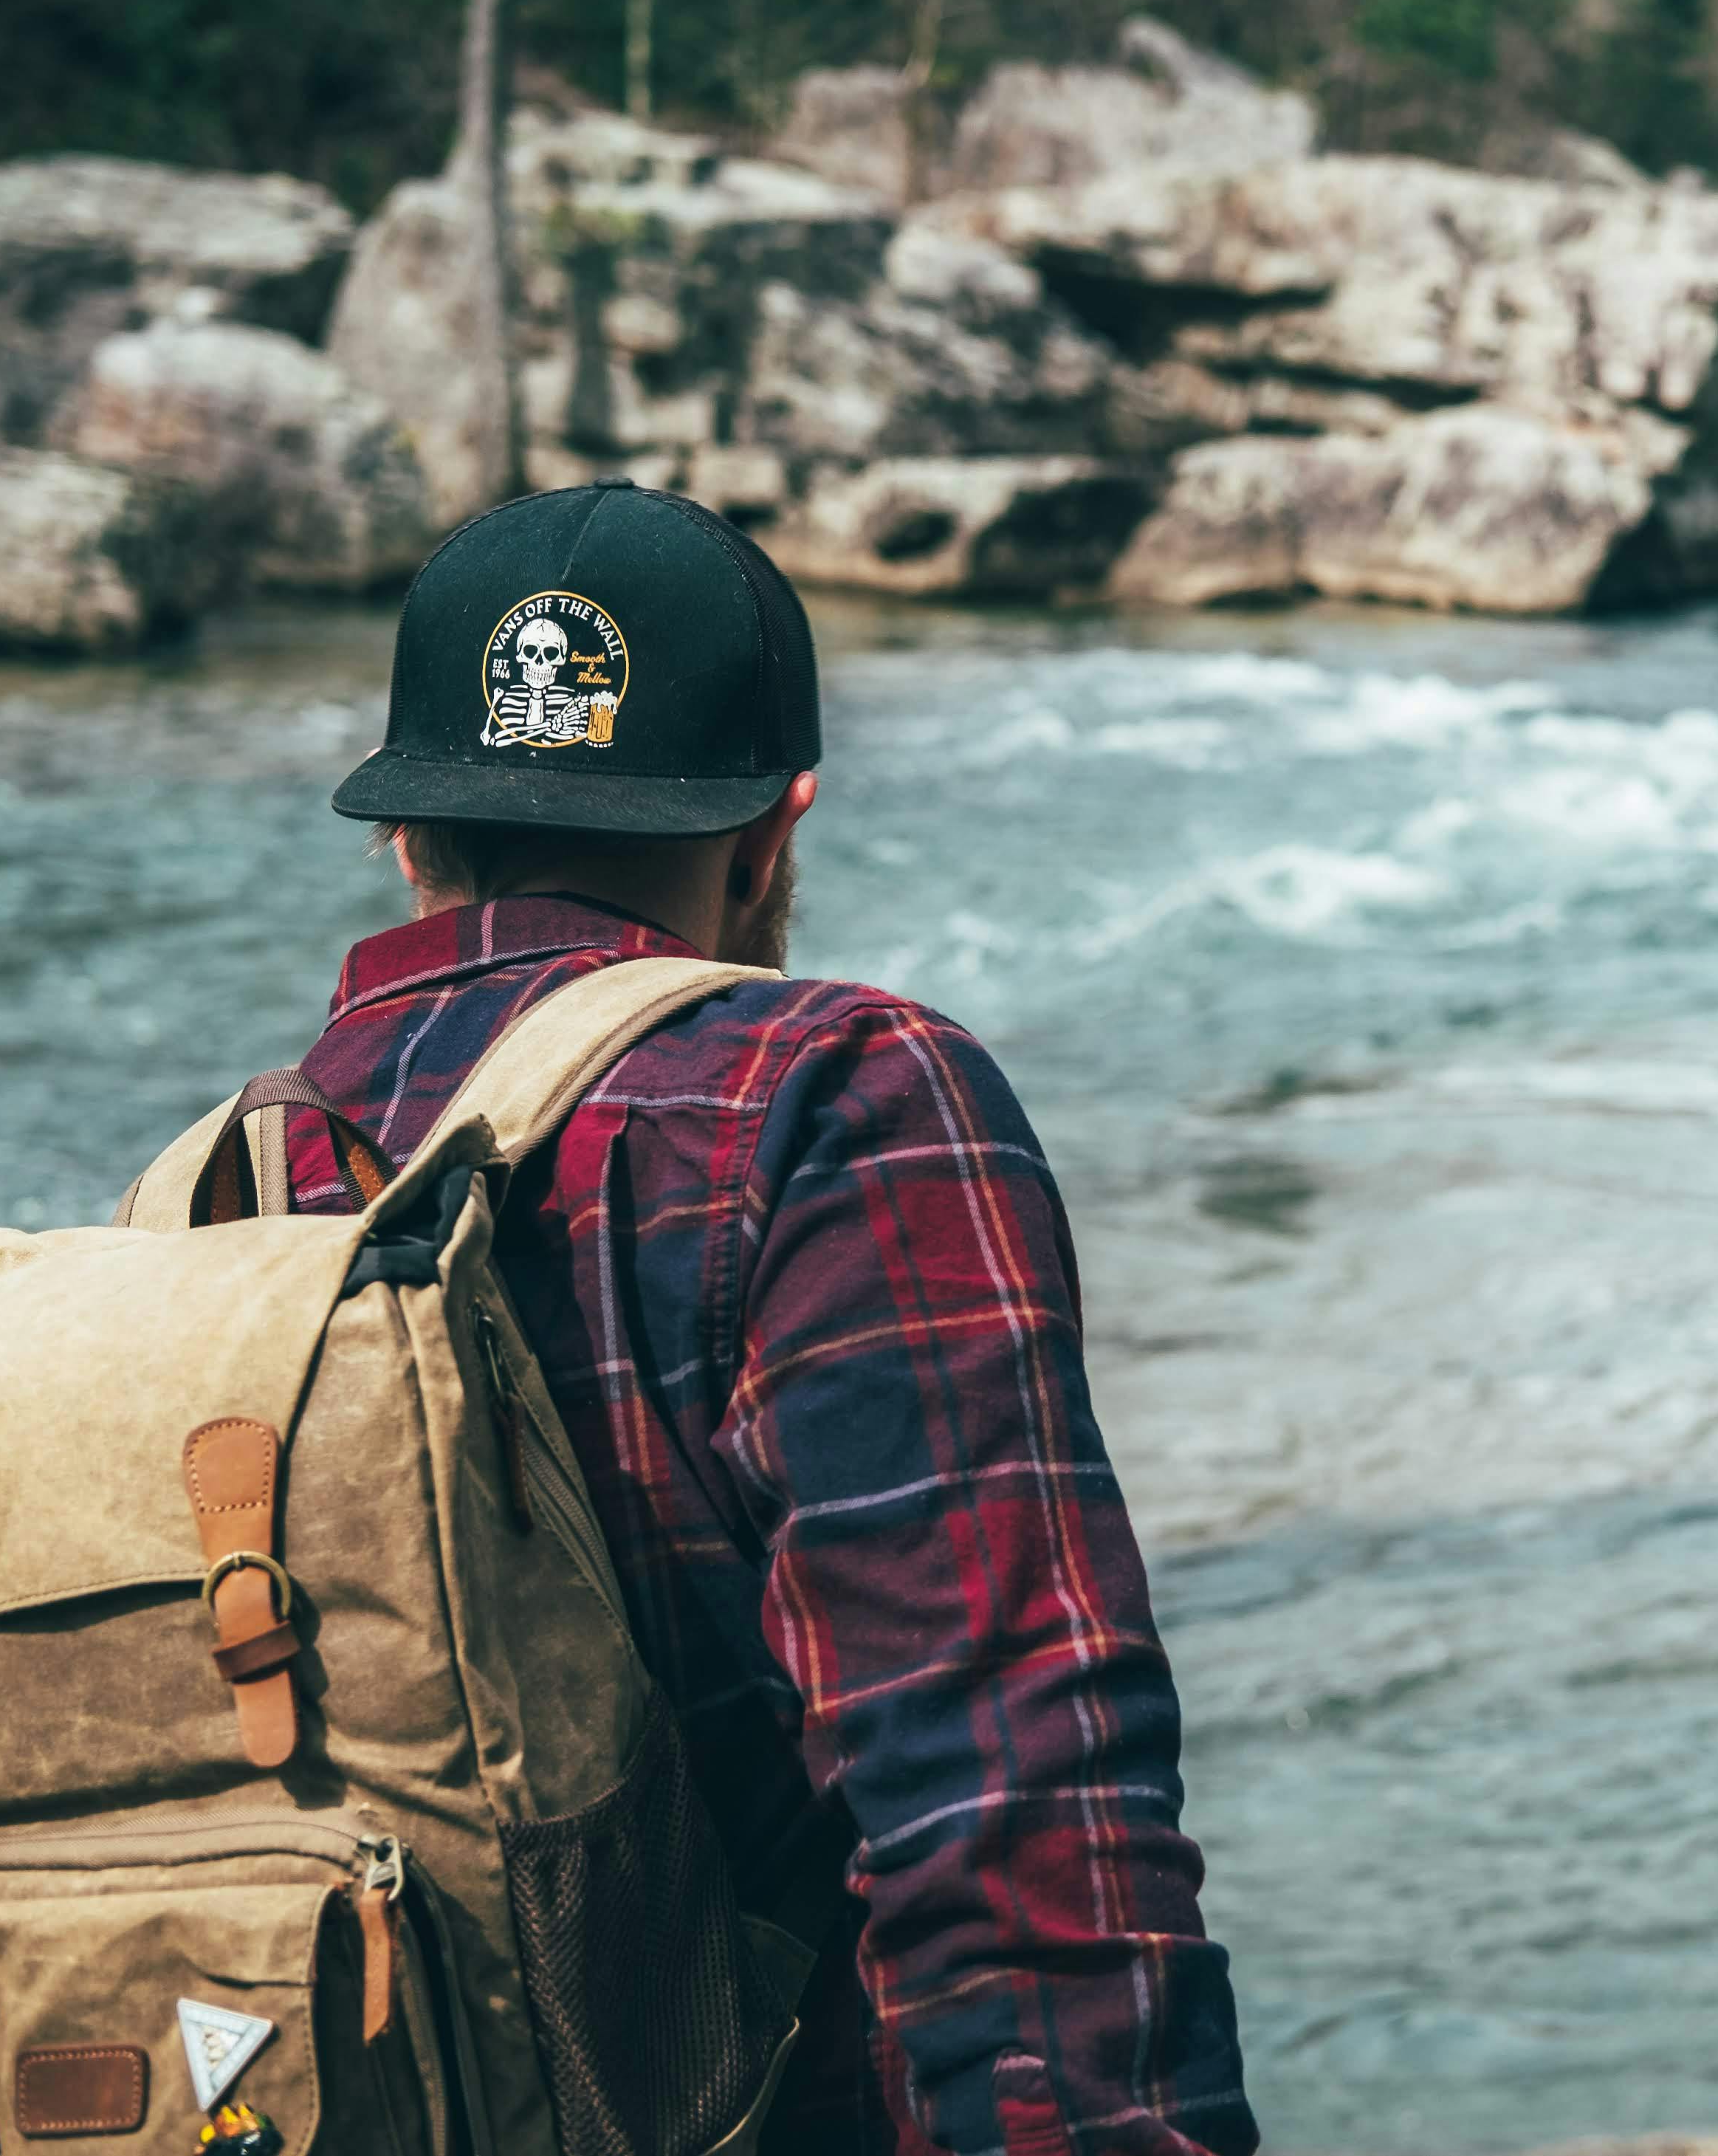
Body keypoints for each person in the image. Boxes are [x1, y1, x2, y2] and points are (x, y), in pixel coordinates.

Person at [299, 478, 1257, 2156]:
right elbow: (1005, 1800)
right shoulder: (834, 1100)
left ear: (405, 841)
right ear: (776, 831)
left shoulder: (227, 1181)